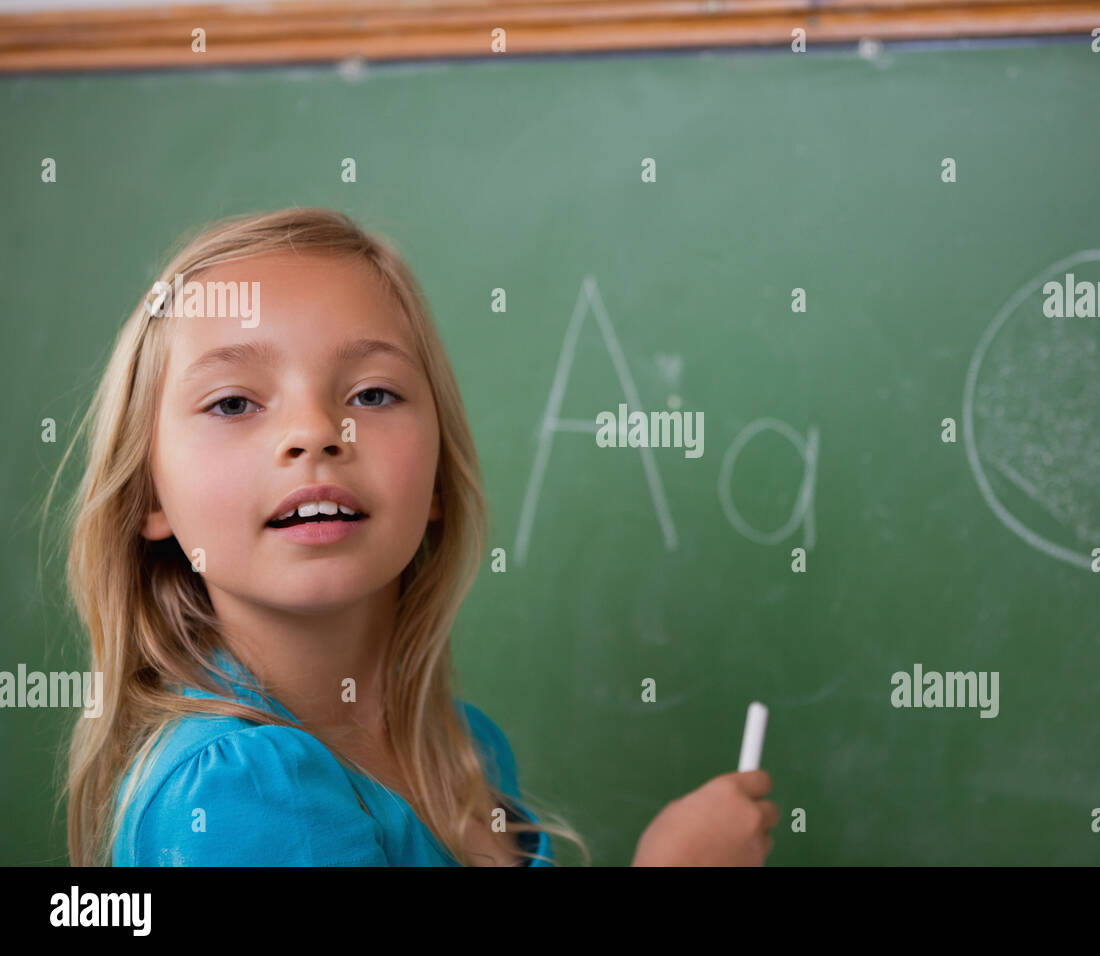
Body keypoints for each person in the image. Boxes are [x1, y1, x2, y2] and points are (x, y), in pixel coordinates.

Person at [49, 208, 777, 866]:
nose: (314, 433)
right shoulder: (240, 789)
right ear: (148, 494)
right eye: (233, 402)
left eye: (371, 395)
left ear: (434, 478)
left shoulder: (464, 749)